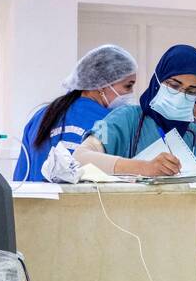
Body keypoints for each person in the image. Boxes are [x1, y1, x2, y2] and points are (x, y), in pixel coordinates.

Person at [75, 44, 196, 178]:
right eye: (174, 85)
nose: (180, 96)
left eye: (191, 91)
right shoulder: (123, 118)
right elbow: (79, 158)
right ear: (157, 81)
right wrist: (144, 168)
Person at [13, 45, 138, 183]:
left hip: (38, 197)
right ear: (102, 85)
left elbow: (20, 181)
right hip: (85, 198)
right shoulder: (106, 123)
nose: (131, 93)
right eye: (128, 85)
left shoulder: (40, 117)